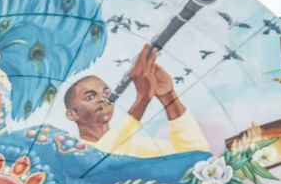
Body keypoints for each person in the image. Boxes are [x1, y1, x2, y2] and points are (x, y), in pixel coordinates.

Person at [62, 45, 209, 157]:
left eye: (106, 92)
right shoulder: (73, 151)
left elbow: (196, 157)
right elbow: (101, 158)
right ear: (71, 114)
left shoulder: (140, 144)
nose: (103, 98)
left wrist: (169, 97)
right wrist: (142, 100)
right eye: (90, 96)